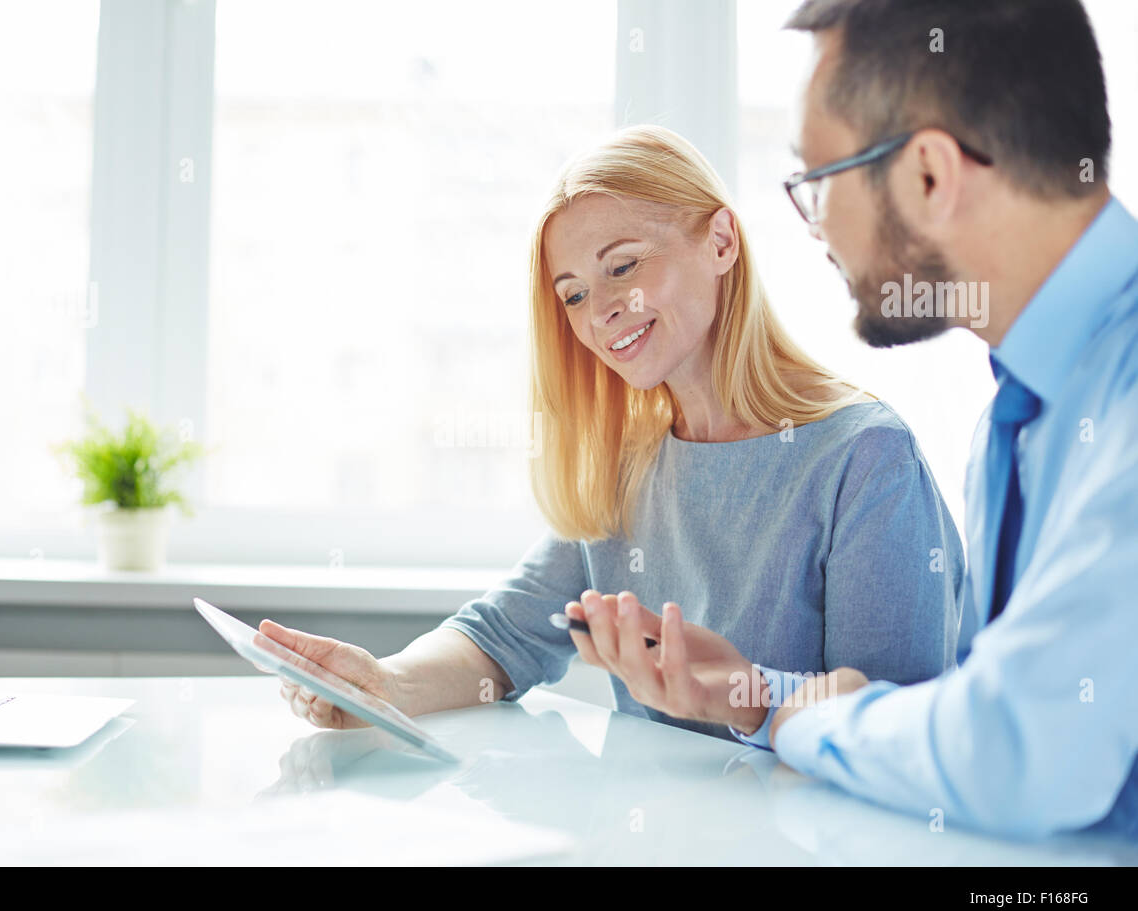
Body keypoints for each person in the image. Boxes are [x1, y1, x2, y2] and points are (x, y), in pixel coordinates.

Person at [572, 0, 1138, 840]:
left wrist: (800, 718)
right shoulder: (1019, 419)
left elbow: (1019, 751)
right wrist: (761, 696)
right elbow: (985, 713)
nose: (812, 226)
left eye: (819, 181)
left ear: (929, 177)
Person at [257, 124, 962, 745]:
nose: (599, 312)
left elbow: (899, 729)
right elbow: (502, 639)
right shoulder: (631, 466)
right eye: (572, 293)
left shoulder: (866, 460)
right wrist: (383, 685)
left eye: (622, 266)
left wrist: (743, 697)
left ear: (721, 241)